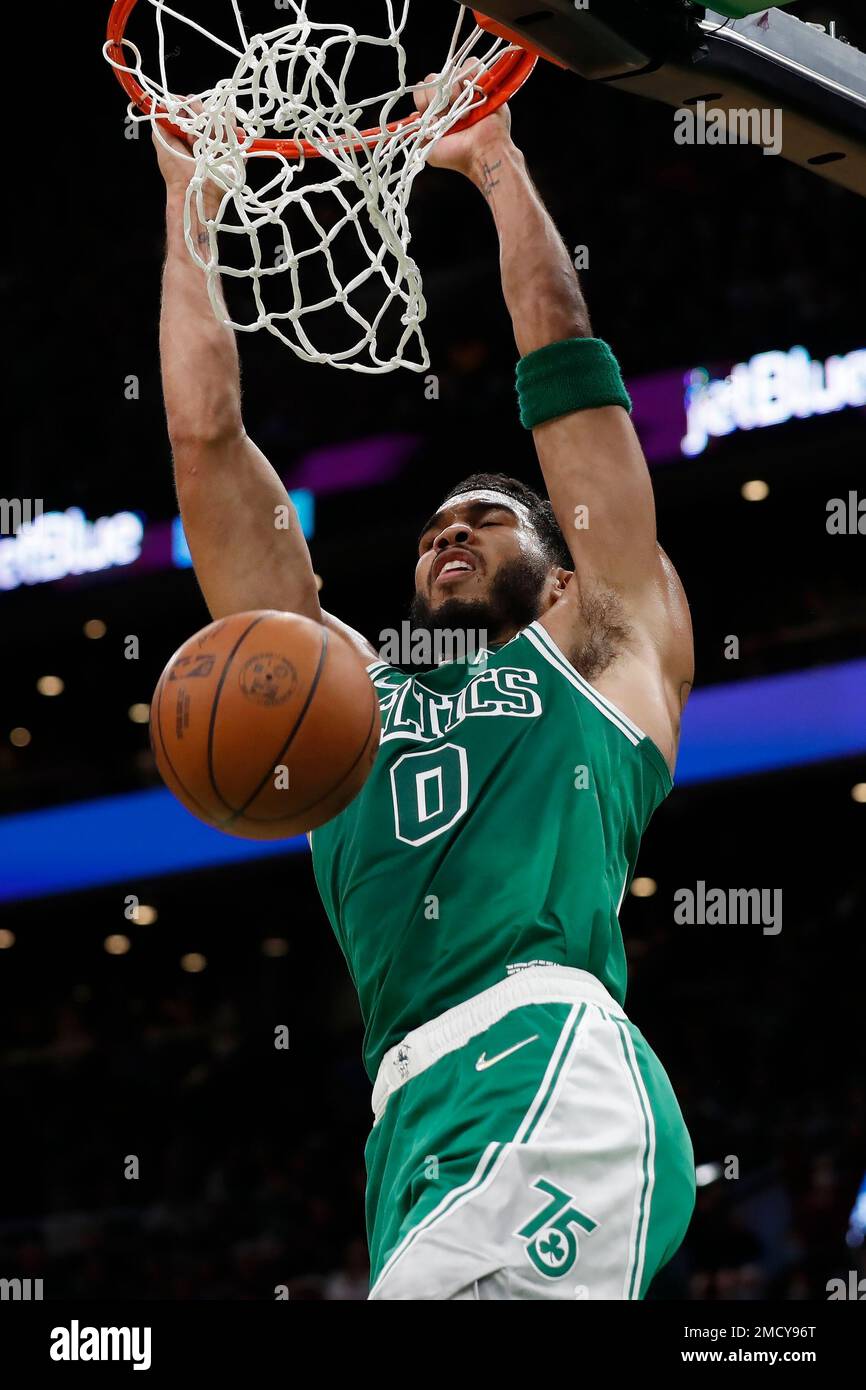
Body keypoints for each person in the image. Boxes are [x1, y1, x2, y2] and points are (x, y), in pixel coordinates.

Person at [154, 74, 696, 1300]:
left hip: (547, 1061)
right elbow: (202, 442)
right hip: (409, 1117)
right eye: (433, 528)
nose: (447, 535)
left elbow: (570, 374)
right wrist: (189, 195)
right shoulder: (326, 687)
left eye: (489, 523)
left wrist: (498, 172)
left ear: (558, 579)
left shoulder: (598, 650)